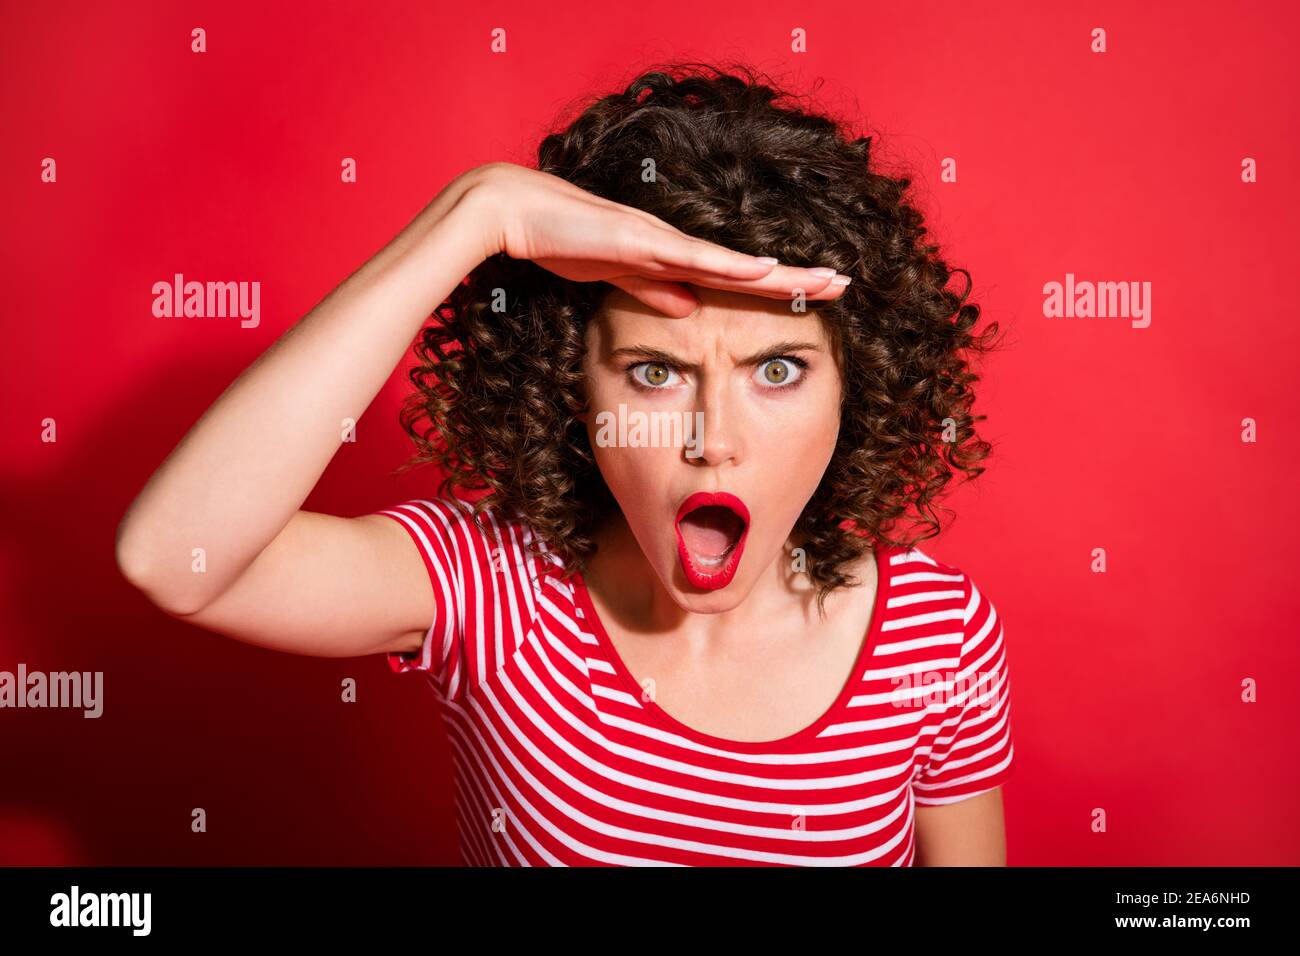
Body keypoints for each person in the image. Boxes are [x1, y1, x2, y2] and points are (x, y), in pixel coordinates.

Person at [116, 62, 1014, 866]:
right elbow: (172, 562)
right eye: (655, 372)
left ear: (855, 391)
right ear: (570, 390)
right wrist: (479, 214)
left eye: (776, 370)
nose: (713, 440)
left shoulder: (937, 637)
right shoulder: (491, 588)